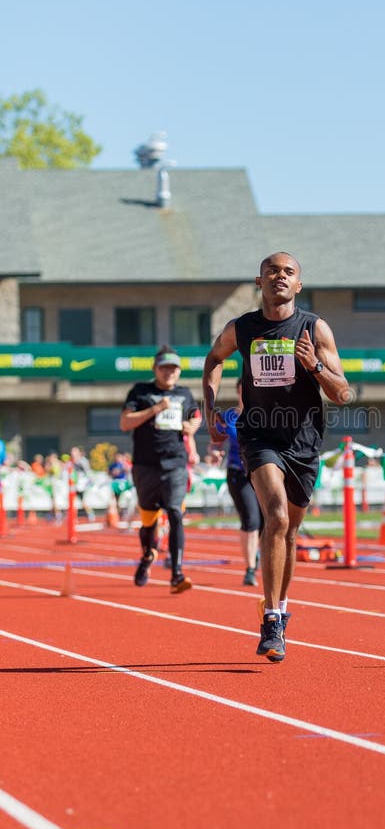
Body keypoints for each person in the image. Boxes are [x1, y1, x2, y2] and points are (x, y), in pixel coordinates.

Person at [203, 251, 350, 662]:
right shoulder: (243, 328)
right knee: (276, 515)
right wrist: (210, 407)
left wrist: (315, 365)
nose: (279, 277)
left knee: (289, 531)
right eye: (272, 271)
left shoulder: (314, 328)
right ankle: (270, 618)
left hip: (303, 441)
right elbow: (214, 359)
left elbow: (343, 392)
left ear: (298, 285)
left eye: (288, 272)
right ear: (259, 281)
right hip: (258, 436)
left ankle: (281, 609)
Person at [120, 345, 201, 594]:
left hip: (176, 462)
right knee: (148, 521)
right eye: (164, 367)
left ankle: (177, 573)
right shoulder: (140, 392)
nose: (169, 372)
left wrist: (192, 427)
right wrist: (155, 409)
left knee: (176, 513)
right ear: (155, 369)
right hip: (146, 465)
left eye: (174, 368)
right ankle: (147, 557)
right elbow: (125, 423)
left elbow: (196, 416)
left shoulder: (185, 393)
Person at [215, 377, 263, 587]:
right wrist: (214, 453)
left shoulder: (264, 416)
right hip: (238, 474)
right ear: (237, 392)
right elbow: (215, 443)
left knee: (266, 522)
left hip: (262, 474)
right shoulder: (229, 416)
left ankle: (257, 554)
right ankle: (250, 570)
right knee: (251, 520)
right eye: (243, 390)